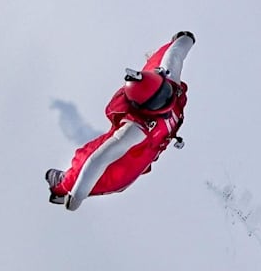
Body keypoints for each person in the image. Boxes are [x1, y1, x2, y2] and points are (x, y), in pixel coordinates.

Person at [46, 31, 195, 211]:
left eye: (165, 92)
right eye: (158, 101)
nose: (165, 99)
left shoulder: (170, 80)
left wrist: (184, 39)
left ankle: (68, 185)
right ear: (143, 108)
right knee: (90, 161)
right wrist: (77, 196)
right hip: (141, 149)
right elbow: (98, 159)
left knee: (158, 59)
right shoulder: (136, 128)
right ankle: (63, 185)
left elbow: (175, 53)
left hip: (151, 144)